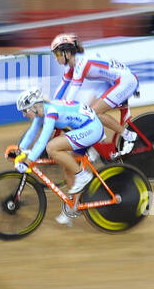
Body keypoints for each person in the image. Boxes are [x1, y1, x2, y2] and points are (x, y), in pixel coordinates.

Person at [12, 87, 103, 226]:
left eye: (25, 110)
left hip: (91, 129)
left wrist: (28, 161)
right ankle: (72, 209)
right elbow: (32, 133)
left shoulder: (51, 111)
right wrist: (19, 150)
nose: (24, 114)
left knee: (52, 147)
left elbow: (43, 140)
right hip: (84, 129)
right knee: (68, 169)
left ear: (34, 106)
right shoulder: (42, 110)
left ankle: (83, 176)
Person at [49, 32, 137, 157]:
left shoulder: (82, 63)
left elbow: (73, 92)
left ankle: (129, 136)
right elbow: (62, 86)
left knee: (95, 113)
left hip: (126, 81)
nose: (56, 58)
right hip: (112, 82)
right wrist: (52, 104)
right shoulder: (71, 65)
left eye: (57, 54)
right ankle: (98, 145)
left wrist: (62, 109)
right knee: (87, 111)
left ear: (67, 53)